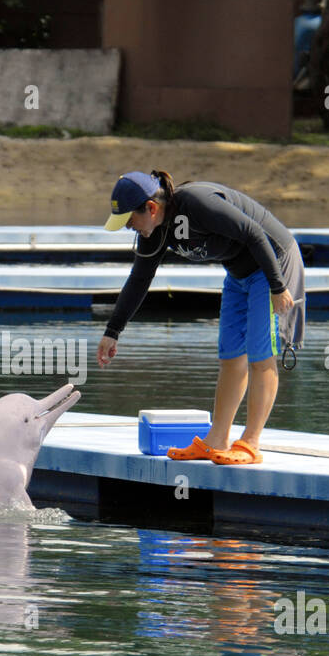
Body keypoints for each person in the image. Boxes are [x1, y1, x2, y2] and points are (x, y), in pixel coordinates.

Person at [97, 170, 305, 465]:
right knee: (231, 355)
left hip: (273, 263)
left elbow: (255, 234)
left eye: (130, 221)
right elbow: (139, 279)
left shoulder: (196, 203)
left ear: (152, 208)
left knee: (260, 354)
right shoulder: (154, 231)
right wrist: (112, 331)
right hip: (239, 272)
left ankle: (250, 443)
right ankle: (216, 440)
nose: (130, 228)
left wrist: (277, 286)